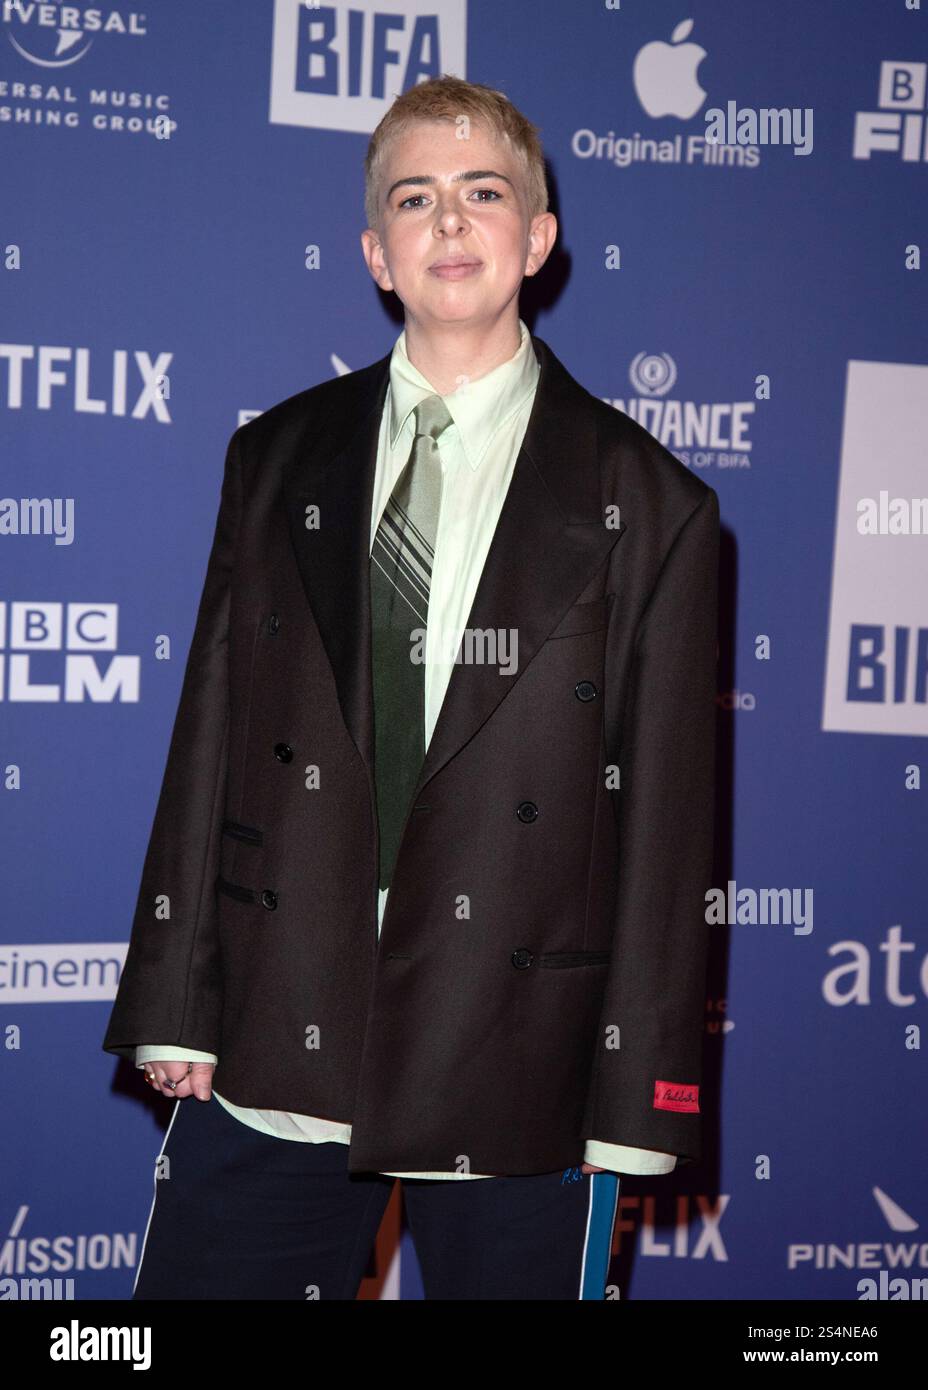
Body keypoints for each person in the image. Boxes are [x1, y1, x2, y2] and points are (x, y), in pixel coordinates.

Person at [103, 73, 720, 1301]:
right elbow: (214, 719)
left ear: (537, 240)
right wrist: (176, 996)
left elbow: (667, 830)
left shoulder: (650, 502)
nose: (450, 221)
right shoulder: (275, 456)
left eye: (483, 193)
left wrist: (639, 1092)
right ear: (376, 253)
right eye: (416, 198)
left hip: (516, 1045)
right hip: (286, 1011)